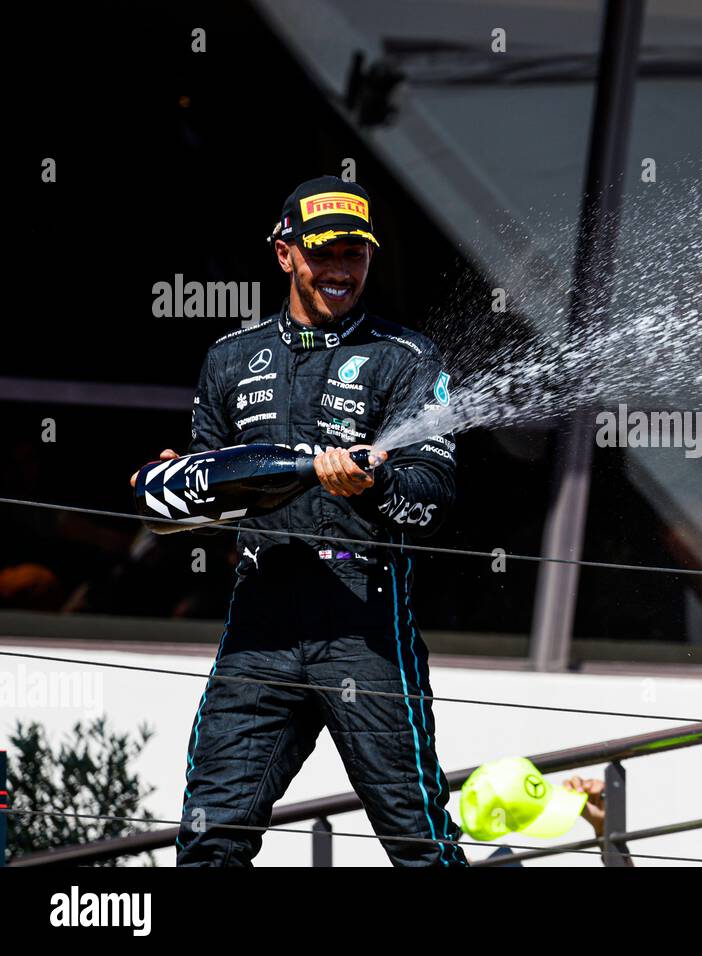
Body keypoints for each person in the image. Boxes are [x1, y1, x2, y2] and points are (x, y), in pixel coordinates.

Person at [131, 175, 464, 866]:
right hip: (261, 621)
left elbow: (432, 498)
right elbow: (207, 492)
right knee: (208, 839)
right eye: (324, 253)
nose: (340, 269)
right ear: (285, 252)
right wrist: (178, 483)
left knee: (419, 843)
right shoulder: (229, 358)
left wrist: (371, 486)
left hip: (365, 626)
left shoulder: (407, 359)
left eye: (355, 254)